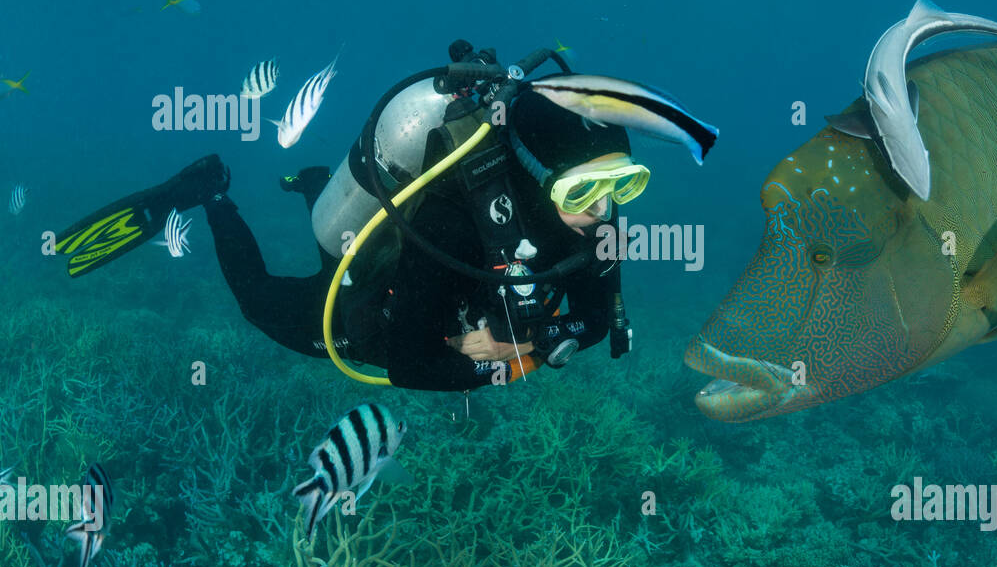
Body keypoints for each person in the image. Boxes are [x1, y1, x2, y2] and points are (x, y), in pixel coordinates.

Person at [53, 42, 649, 391]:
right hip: (373, 292)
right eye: (583, 190)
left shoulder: (598, 223)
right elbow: (412, 362)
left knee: (328, 209)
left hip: (439, 280)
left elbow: (596, 320)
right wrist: (482, 366)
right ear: (533, 174)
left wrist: (538, 342)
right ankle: (211, 191)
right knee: (260, 305)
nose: (602, 211)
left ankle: (313, 182)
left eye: (623, 185)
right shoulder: (454, 223)